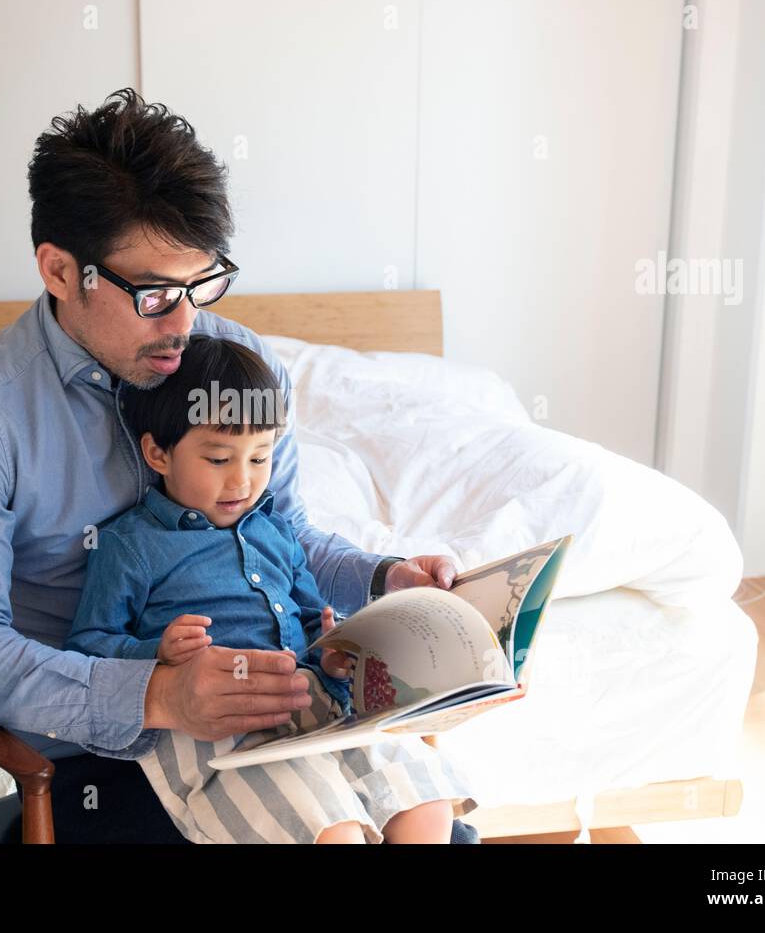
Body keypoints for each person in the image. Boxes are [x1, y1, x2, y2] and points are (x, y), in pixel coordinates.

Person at [0, 87, 478, 842]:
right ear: (57, 270)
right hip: (98, 761)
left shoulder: (240, 364)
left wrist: (385, 578)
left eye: (201, 283)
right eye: (152, 294)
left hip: (281, 719)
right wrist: (163, 694)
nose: (186, 322)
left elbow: (278, 534)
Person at [64, 335, 476, 843]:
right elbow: (86, 648)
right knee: (331, 827)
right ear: (158, 452)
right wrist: (157, 654)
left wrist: (333, 655)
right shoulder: (132, 544)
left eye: (259, 459)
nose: (242, 481)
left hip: (318, 712)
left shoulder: (274, 531)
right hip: (221, 733)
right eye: (219, 459)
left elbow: (308, 622)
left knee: (423, 793)